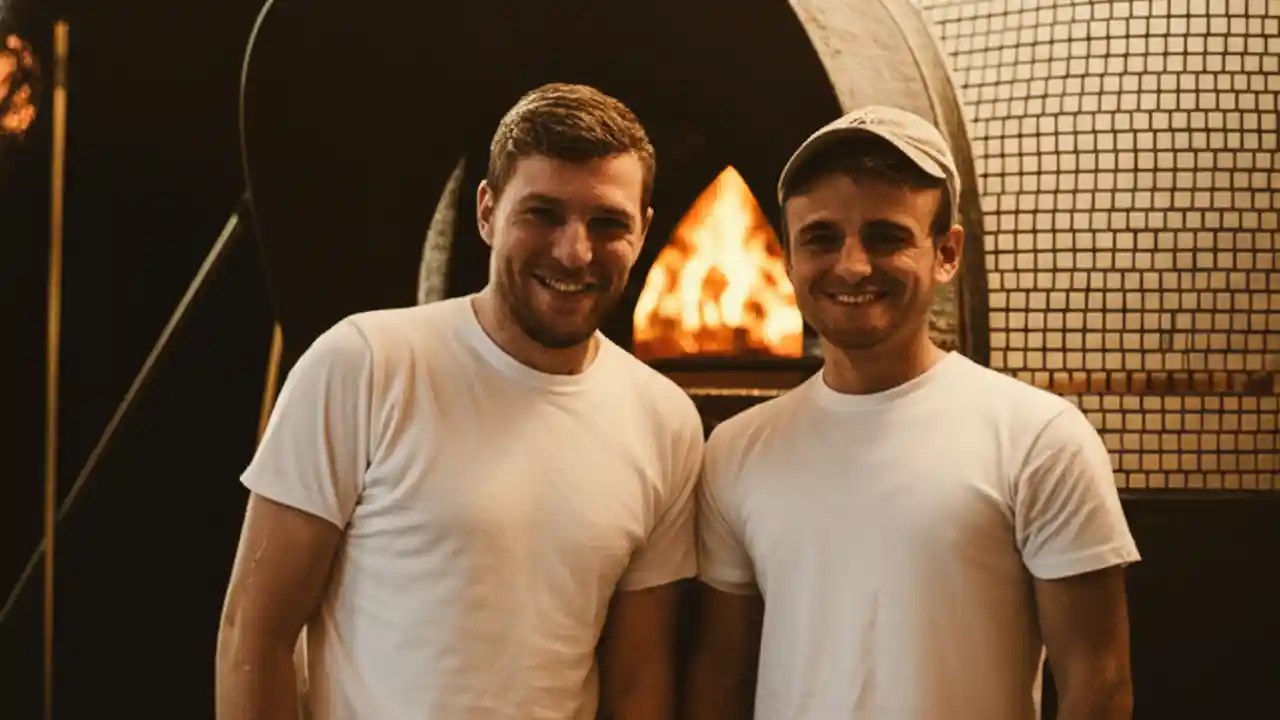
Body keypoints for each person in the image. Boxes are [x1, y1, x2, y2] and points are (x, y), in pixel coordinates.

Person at [216, 82, 704, 720]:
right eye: (543, 213)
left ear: (642, 232)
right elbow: (253, 634)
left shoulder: (664, 420)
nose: (574, 251)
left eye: (607, 223)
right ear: (487, 212)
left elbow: (639, 680)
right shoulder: (366, 362)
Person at [685, 106, 1141, 720]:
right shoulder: (737, 449)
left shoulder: (1038, 438)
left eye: (886, 236)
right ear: (788, 258)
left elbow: (1100, 685)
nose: (852, 265)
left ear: (946, 253)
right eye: (821, 238)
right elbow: (721, 672)